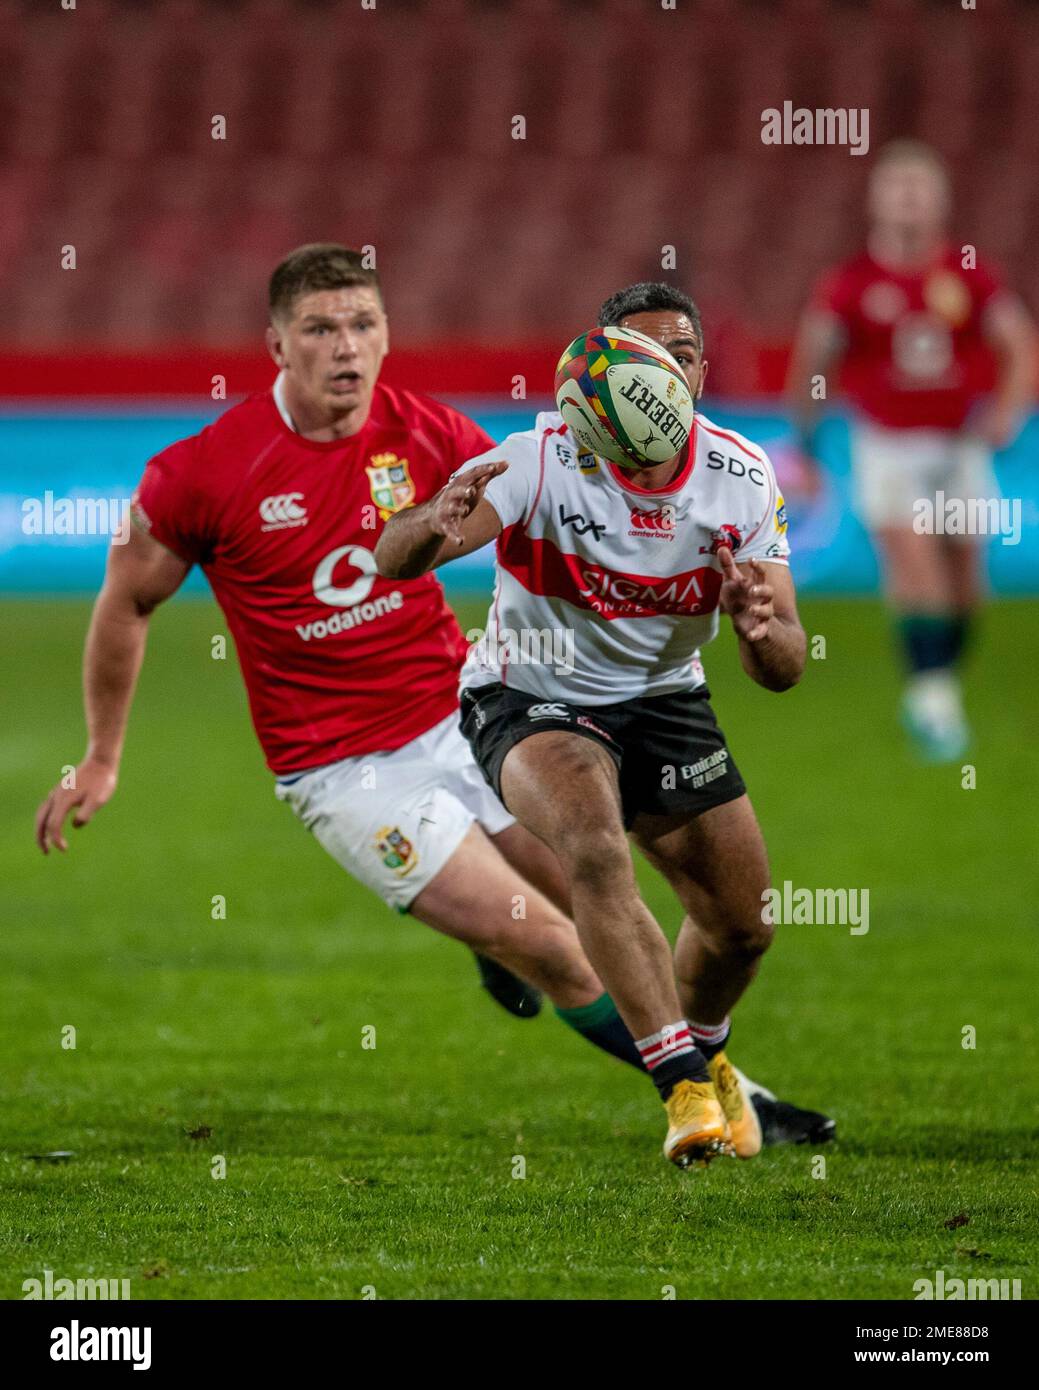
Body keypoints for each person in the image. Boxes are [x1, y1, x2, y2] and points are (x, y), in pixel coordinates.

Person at [35, 247, 831, 1156]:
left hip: (456, 718)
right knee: (550, 942)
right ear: (274, 343)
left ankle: (722, 1082)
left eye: (363, 324)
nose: (347, 347)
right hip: (344, 768)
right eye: (321, 328)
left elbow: (538, 511)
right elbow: (127, 601)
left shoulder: (432, 431)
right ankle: (710, 1097)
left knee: (607, 899)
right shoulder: (202, 472)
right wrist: (101, 754)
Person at [376, 281, 819, 1167]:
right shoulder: (538, 458)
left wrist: (760, 629)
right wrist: (430, 524)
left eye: (681, 354)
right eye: (641, 354)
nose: (661, 371)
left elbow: (783, 669)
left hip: (664, 698)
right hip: (529, 693)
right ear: (599, 374)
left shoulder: (739, 477)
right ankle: (682, 1089)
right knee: (590, 840)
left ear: (695, 368)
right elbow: (393, 559)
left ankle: (707, 1050)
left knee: (742, 926)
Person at [787, 140, 1036, 760]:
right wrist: (807, 442)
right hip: (886, 445)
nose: (908, 200)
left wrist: (1008, 410)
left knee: (968, 587)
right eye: (896, 188)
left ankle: (936, 682)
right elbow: (813, 362)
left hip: (959, 444)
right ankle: (932, 698)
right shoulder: (850, 283)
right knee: (914, 560)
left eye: (919, 189)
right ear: (875, 201)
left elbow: (1019, 345)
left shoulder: (970, 274)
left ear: (940, 202)